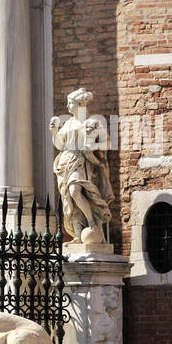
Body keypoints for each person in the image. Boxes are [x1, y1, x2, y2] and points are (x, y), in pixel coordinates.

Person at [49, 87, 112, 245]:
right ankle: (78, 235)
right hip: (65, 162)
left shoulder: (93, 123)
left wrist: (93, 147)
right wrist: (55, 132)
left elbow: (108, 143)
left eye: (70, 103)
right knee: (69, 199)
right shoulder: (69, 123)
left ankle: (92, 222)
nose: (67, 106)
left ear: (79, 104)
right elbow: (59, 145)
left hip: (81, 161)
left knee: (75, 190)